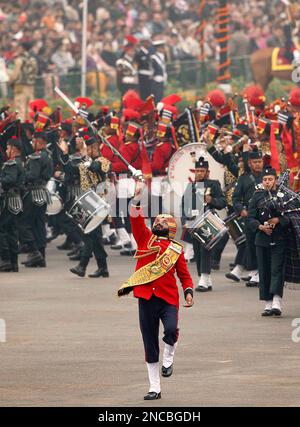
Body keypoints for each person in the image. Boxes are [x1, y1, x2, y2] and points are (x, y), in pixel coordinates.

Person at [118, 177, 194, 401]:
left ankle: (169, 356)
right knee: (149, 343)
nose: (158, 223)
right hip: (146, 298)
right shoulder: (145, 239)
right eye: (157, 221)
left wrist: (188, 290)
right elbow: (136, 220)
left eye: (163, 222)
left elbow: (184, 275)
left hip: (169, 297)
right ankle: (154, 387)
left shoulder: (176, 250)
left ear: (171, 228)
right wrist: (136, 200)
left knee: (171, 330)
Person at [248, 166, 290, 316]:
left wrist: (278, 220)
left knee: (276, 269)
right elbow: (250, 217)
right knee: (264, 270)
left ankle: (277, 301)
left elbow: (291, 215)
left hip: (279, 238)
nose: (267, 182)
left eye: (270, 179)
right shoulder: (257, 196)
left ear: (276, 180)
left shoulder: (284, 195)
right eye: (265, 180)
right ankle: (268, 303)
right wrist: (260, 226)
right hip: (262, 239)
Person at [181, 156, 226, 292]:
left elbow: (222, 202)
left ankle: (204, 279)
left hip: (208, 221)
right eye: (197, 170)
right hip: (194, 222)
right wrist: (185, 221)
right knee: (197, 252)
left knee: (205, 249)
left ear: (207, 172)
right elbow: (183, 205)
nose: (199, 173)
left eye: (202, 170)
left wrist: (211, 200)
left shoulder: (214, 184)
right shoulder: (191, 185)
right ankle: (205, 279)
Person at [18, 128, 53, 267]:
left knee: (24, 223)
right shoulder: (48, 155)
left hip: (33, 192)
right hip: (43, 191)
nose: (32, 142)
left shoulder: (36, 156)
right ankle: (41, 257)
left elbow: (32, 175)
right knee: (39, 225)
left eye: (34, 140)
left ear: (40, 141)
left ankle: (34, 252)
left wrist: (21, 175)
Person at [230, 150, 264, 286]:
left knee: (262, 245)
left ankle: (259, 273)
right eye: (255, 162)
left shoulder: (267, 176)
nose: (258, 165)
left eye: (260, 162)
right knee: (251, 244)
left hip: (265, 216)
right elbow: (236, 198)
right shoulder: (243, 179)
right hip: (249, 218)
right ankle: (255, 272)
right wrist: (241, 210)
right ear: (250, 164)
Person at [0, 136, 24, 272]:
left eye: (8, 147)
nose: (6, 150)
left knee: (2, 229)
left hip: (9, 199)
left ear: (13, 149)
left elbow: (9, 179)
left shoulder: (12, 163)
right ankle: (13, 262)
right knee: (11, 230)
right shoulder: (18, 163)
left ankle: (5, 259)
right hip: (15, 199)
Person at [8, 41, 38, 120]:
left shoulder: (19, 60)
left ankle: (20, 126)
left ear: (22, 48)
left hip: (20, 86)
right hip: (31, 86)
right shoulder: (33, 60)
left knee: (20, 107)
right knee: (30, 107)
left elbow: (15, 75)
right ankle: (30, 126)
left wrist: (10, 82)